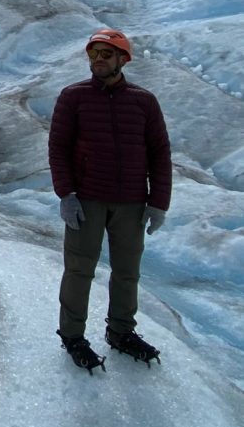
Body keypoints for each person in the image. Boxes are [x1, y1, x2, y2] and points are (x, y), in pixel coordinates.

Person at [48, 28, 172, 372]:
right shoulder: (73, 97)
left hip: (132, 202)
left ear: (123, 58)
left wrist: (158, 202)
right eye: (93, 54)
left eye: (105, 54)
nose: (98, 60)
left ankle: (121, 332)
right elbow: (58, 148)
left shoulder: (143, 101)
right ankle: (73, 336)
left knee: (127, 273)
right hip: (86, 200)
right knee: (79, 270)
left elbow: (160, 153)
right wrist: (66, 194)